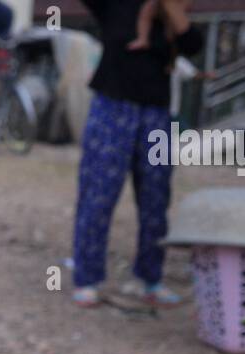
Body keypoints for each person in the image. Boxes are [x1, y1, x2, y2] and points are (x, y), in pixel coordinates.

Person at [72, 0, 202, 307]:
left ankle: (150, 279)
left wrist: (171, 9)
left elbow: (193, 44)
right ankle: (87, 278)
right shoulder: (117, 6)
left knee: (156, 199)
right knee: (98, 195)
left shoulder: (172, 10)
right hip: (112, 105)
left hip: (156, 113)